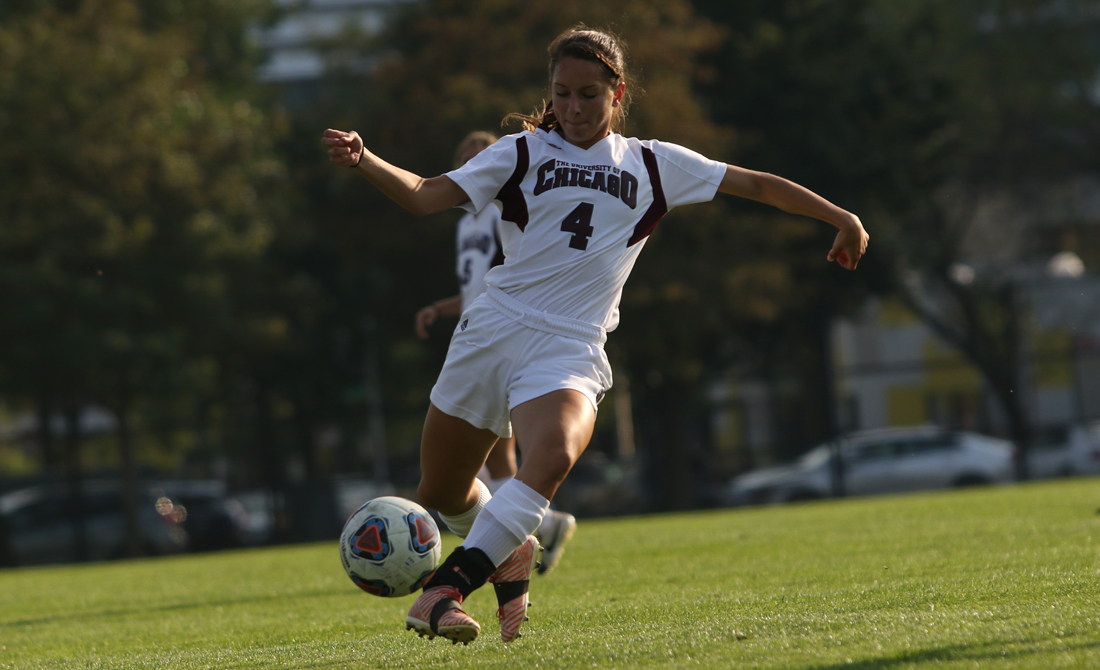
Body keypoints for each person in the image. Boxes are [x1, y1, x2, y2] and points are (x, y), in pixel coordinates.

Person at [322, 24, 868, 645]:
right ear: (549, 94)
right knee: (442, 491)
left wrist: (840, 216)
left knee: (551, 456)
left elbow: (758, 185)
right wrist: (365, 158)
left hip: (569, 344)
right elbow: (424, 196)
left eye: (588, 94)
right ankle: (513, 552)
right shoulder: (518, 152)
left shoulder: (654, 164)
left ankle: (446, 587)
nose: (573, 109)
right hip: (492, 330)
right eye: (562, 94)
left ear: (618, 93)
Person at [414, 131, 578, 576]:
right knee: (495, 456)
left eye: (482, 158)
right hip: (480, 330)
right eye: (466, 161)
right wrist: (441, 308)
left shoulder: (508, 207)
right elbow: (477, 283)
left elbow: (515, 269)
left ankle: (526, 536)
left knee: (497, 454)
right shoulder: (468, 220)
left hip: (510, 331)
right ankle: (535, 532)